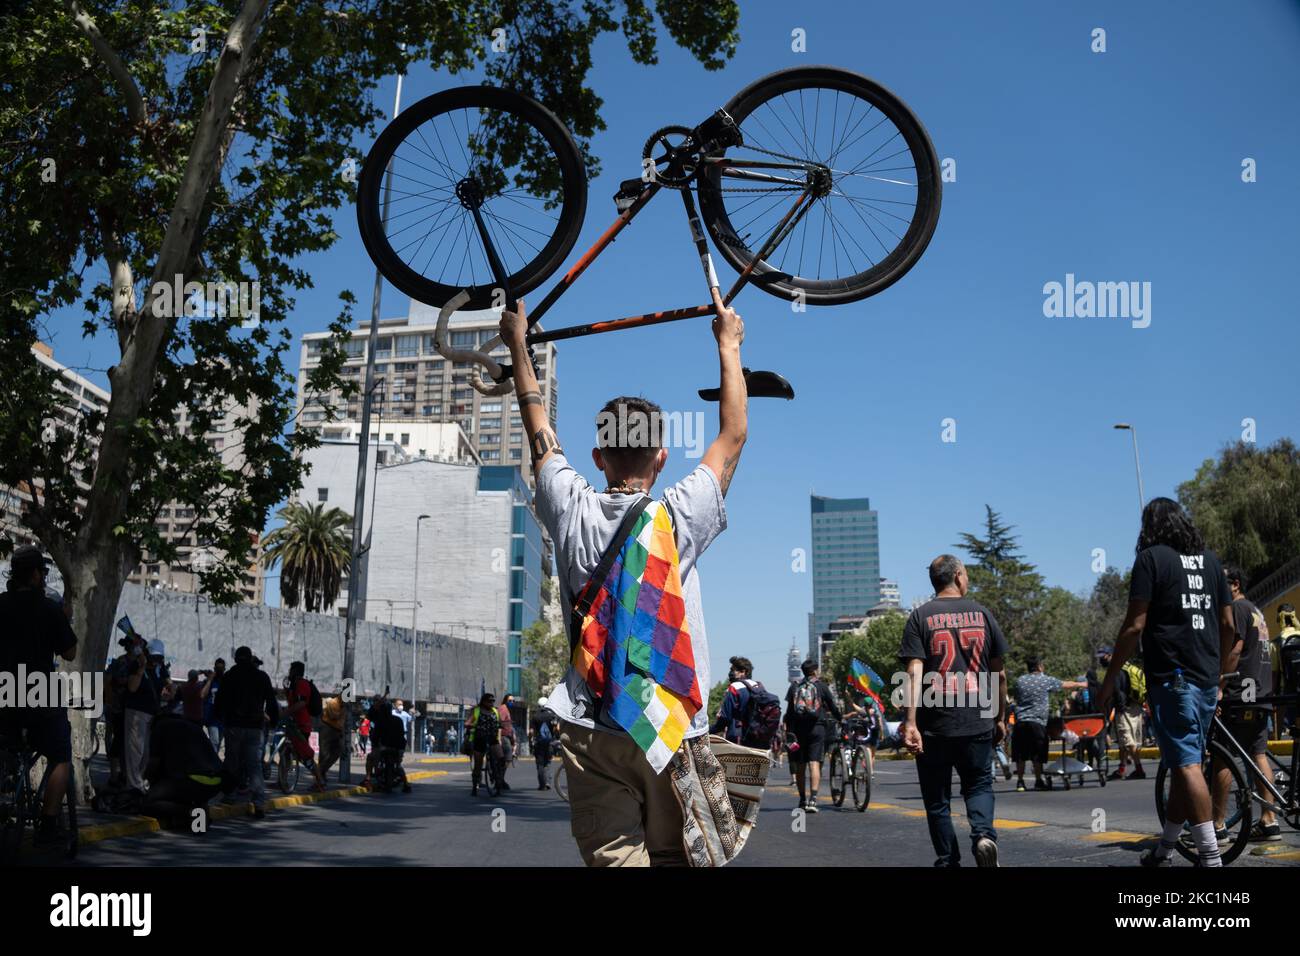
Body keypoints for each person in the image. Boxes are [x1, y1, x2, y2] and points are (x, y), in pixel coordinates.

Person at [505, 287, 746, 867]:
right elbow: (733, 434)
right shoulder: (679, 514)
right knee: (673, 856)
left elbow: (537, 425)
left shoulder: (569, 507)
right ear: (661, 458)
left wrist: (519, 347)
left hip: (592, 724)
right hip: (670, 727)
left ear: (598, 457)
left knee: (617, 860)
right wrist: (728, 345)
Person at [1097, 497, 1235, 867]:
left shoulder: (1151, 559)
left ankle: (1210, 857)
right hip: (1206, 679)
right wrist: (1219, 674)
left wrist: (1109, 680)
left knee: (1187, 764)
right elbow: (1228, 625)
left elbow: (1134, 626)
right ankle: (1165, 849)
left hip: (1172, 678)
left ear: (1150, 527)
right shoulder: (1211, 561)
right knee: (1181, 761)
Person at [899, 554, 1008, 868]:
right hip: (977, 717)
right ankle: (984, 836)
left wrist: (910, 722)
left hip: (935, 725)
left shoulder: (920, 617)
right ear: (959, 576)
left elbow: (914, 671)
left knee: (937, 800)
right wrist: (1000, 716)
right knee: (979, 785)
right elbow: (999, 674)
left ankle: (949, 860)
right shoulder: (983, 614)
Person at [0, 545, 78, 844]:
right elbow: (69, 652)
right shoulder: (49, 608)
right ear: (35, 575)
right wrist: (63, 621)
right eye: (43, 573)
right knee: (60, 757)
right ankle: (47, 825)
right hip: (39, 694)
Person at [1214, 567, 1279, 842]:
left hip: (1242, 692)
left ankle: (1216, 826)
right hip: (1259, 691)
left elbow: (1236, 648)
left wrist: (1220, 685)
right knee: (1257, 754)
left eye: (1221, 583)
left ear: (1235, 585)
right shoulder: (1256, 610)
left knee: (1222, 756)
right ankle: (1269, 819)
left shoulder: (1238, 609)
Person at [214, 645, 279, 819]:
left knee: (231, 762)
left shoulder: (230, 676)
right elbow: (272, 702)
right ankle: (258, 803)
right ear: (251, 659)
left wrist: (219, 717)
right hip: (255, 728)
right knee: (254, 766)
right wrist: (273, 721)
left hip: (234, 726)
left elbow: (219, 701)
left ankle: (230, 795)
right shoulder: (261, 677)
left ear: (235, 659)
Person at [141, 710, 230, 827]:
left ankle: (192, 813)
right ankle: (200, 814)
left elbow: (154, 763)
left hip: (192, 780)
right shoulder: (193, 727)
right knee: (190, 788)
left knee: (149, 802)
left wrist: (142, 781)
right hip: (216, 781)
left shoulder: (161, 726)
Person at [1011, 657, 1085, 792]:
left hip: (1020, 721)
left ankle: (1020, 782)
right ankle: (1038, 780)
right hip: (1038, 722)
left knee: (1021, 754)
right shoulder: (1045, 680)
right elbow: (1065, 684)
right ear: (1039, 666)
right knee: (1037, 753)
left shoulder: (1019, 681)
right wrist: (1082, 685)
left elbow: (1017, 698)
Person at [783, 660, 842, 813]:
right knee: (814, 763)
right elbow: (833, 707)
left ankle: (802, 799)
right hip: (817, 728)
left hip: (799, 730)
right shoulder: (821, 686)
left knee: (801, 765)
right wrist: (841, 720)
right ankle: (813, 800)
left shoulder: (795, 687)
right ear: (815, 671)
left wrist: (789, 731)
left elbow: (789, 712)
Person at [1102, 648, 1148, 781]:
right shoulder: (1130, 667)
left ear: (1111, 655)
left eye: (1103, 656)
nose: (1101, 660)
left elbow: (1117, 692)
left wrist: (1119, 709)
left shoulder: (1115, 670)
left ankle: (1139, 769)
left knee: (1128, 741)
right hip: (1136, 707)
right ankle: (1121, 769)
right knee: (1125, 742)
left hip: (1125, 709)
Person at [281, 661, 326, 790]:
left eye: (291, 670)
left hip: (301, 726)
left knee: (305, 757)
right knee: (286, 752)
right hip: (293, 724)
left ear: (295, 671)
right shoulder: (294, 685)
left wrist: (285, 712)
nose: (289, 672)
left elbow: (301, 704)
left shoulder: (302, 684)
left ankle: (320, 780)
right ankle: (282, 780)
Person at [364, 697, 412, 792]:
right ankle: (406, 783)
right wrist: (400, 750)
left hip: (384, 748)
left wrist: (376, 744)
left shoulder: (380, 721)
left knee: (370, 758)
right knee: (398, 765)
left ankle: (368, 779)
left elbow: (375, 736)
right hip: (396, 748)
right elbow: (402, 736)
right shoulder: (397, 720)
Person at [711, 656, 756, 744]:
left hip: (738, 738)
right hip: (757, 738)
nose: (730, 673)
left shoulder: (735, 687)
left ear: (743, 672)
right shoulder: (757, 686)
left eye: (733, 670)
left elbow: (724, 719)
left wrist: (709, 730)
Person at [465, 692, 501, 797]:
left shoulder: (495, 711)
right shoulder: (476, 710)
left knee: (500, 758)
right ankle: (474, 786)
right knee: (478, 765)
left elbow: (500, 723)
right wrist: (472, 725)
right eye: (489, 701)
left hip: (492, 739)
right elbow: (467, 723)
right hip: (479, 739)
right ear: (484, 701)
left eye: (493, 701)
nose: (491, 703)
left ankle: (497, 779)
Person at [318, 689, 346, 783]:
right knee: (324, 754)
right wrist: (343, 712)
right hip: (327, 728)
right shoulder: (333, 702)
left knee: (337, 752)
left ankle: (322, 771)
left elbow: (341, 722)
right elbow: (334, 716)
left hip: (336, 731)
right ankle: (319, 775)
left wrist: (341, 731)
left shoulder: (343, 707)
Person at [532, 697, 558, 790]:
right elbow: (556, 728)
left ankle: (541, 784)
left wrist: (533, 739)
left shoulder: (535, 716)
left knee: (540, 763)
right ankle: (547, 782)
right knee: (548, 762)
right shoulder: (552, 716)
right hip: (550, 742)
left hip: (538, 743)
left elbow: (532, 731)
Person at [202, 657, 225, 754]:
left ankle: (213, 762)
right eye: (217, 668)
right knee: (214, 741)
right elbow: (203, 694)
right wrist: (210, 680)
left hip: (223, 718)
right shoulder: (210, 682)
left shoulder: (226, 682)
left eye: (221, 668)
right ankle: (213, 765)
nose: (219, 671)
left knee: (218, 742)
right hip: (212, 717)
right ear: (214, 669)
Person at [496, 693, 517, 790]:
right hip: (503, 737)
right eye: (510, 701)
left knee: (506, 758)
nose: (512, 702)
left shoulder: (507, 709)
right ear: (505, 700)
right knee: (508, 757)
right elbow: (500, 724)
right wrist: (499, 738)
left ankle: (500, 779)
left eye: (513, 701)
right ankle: (499, 779)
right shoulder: (503, 709)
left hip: (508, 736)